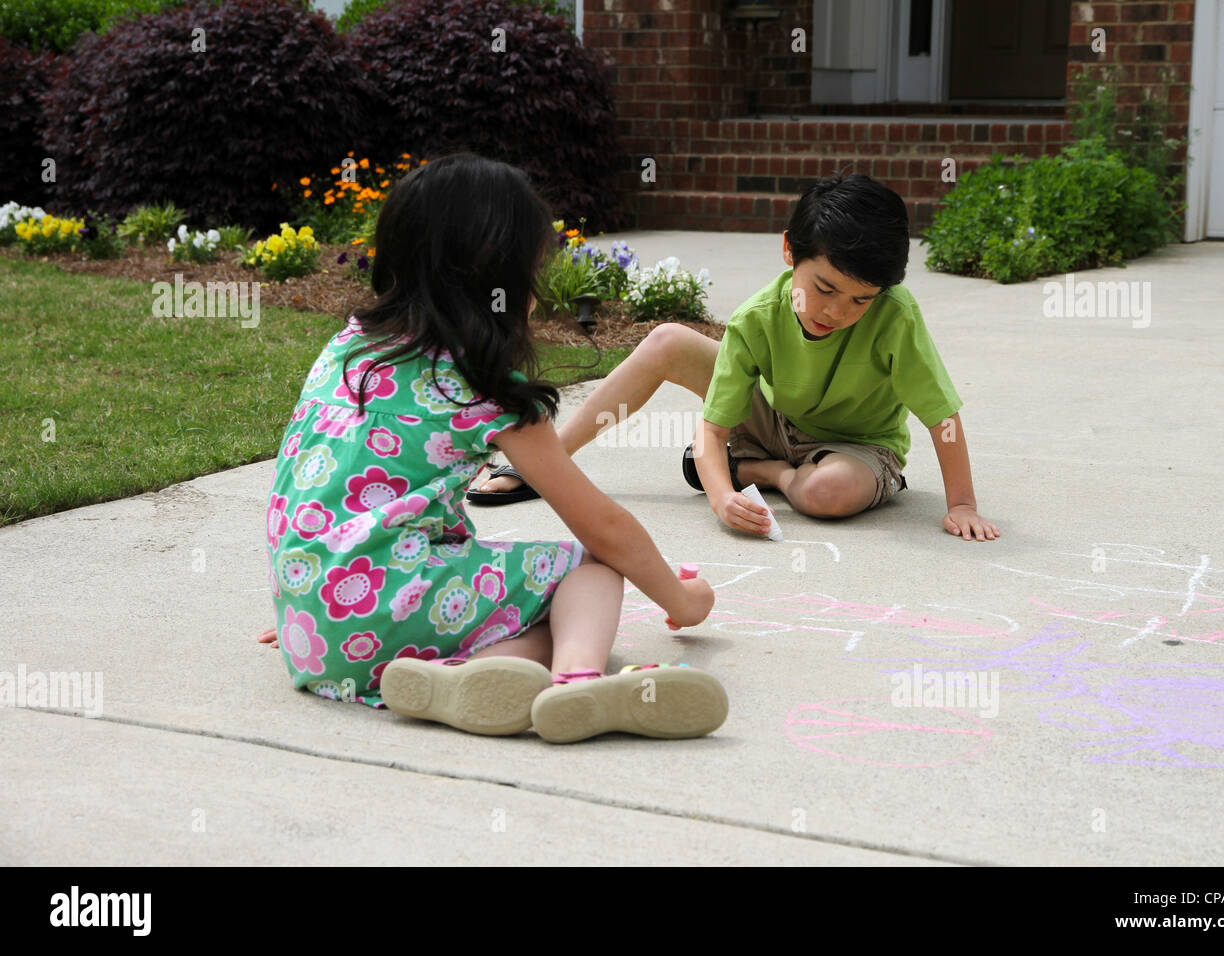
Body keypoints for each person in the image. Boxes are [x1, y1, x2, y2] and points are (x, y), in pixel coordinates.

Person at [256, 152, 726, 744]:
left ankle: (461, 678)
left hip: (317, 629)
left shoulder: (347, 349)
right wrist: (683, 600)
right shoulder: (482, 390)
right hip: (391, 606)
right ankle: (577, 684)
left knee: (539, 615)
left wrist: (317, 592)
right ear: (501, 279)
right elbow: (604, 526)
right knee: (588, 569)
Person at [470, 173, 1000, 542]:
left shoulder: (896, 316)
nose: (838, 311)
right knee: (667, 340)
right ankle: (543, 461)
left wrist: (961, 504)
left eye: (860, 299)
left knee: (825, 494)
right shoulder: (757, 316)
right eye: (825, 289)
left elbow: (942, 417)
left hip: (855, 448)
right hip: (771, 420)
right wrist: (722, 499)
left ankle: (765, 473)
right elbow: (713, 427)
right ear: (791, 251)